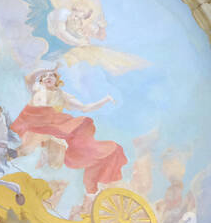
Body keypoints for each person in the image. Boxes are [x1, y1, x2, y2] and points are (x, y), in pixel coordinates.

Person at [10, 67, 126, 196]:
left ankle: (13, 159)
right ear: (41, 80)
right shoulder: (38, 88)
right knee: (26, 147)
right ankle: (10, 155)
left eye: (52, 76)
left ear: (57, 80)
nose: (48, 77)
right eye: (45, 76)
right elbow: (29, 78)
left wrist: (105, 99)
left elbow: (85, 108)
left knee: (29, 148)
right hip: (32, 119)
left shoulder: (61, 95)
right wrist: (49, 68)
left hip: (50, 124)